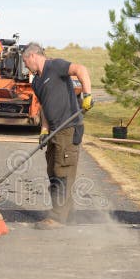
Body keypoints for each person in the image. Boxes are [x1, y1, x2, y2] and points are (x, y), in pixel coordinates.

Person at [21, 42, 93, 230]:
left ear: (33, 56)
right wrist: (44, 129)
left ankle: (58, 218)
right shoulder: (36, 81)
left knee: (62, 172)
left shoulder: (55, 66)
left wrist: (87, 95)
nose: (25, 66)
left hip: (68, 128)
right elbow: (45, 107)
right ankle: (67, 215)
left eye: (25, 61)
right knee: (53, 172)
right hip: (53, 131)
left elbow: (80, 69)